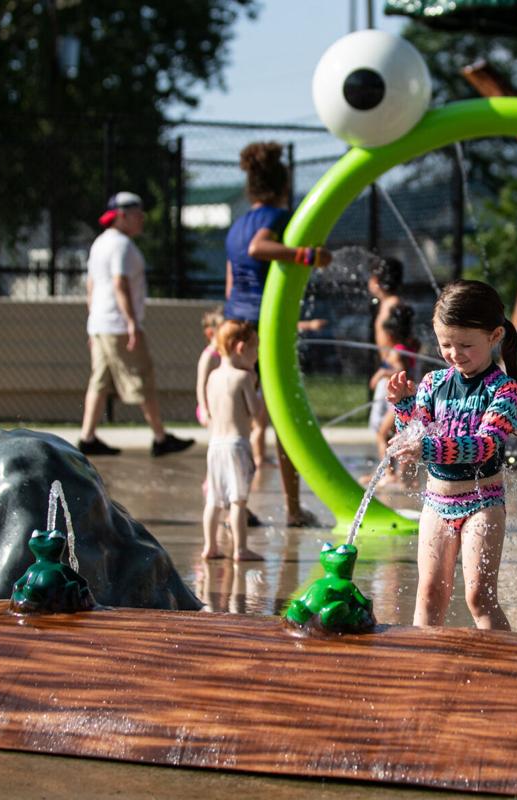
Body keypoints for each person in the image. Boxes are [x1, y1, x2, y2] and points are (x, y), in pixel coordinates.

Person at [388, 280, 517, 631]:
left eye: (466, 344)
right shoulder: (433, 383)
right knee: (430, 592)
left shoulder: (504, 389)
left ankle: (503, 666)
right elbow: (413, 435)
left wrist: (428, 447)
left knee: (479, 596)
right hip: (437, 502)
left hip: (482, 503)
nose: (454, 353)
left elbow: (485, 445)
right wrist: (404, 406)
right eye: (445, 344)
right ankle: (424, 668)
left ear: (495, 336)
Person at [224, 141, 331, 527]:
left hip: (232, 324)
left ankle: (232, 506)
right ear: (282, 184)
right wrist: (308, 256)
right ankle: (292, 508)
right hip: (264, 328)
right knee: (284, 421)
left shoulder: (235, 225)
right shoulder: (281, 216)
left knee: (230, 424)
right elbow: (260, 247)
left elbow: (230, 282)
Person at [78, 191, 193, 458]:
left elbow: (91, 286)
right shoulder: (121, 246)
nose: (142, 219)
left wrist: (92, 323)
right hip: (117, 325)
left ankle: (87, 437)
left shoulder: (100, 243)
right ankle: (160, 437)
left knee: (99, 381)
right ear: (122, 216)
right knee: (142, 377)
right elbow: (120, 283)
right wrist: (131, 323)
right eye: (138, 214)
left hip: (100, 323)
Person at [201, 320, 262, 562]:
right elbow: (255, 413)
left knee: (213, 501)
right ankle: (240, 549)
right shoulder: (243, 378)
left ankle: (210, 546)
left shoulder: (213, 377)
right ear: (241, 347)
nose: (256, 356)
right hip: (237, 445)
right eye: (255, 349)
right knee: (238, 500)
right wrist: (257, 388)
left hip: (215, 445)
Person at [368, 303, 419, 484]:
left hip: (400, 399)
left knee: (383, 434)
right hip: (411, 397)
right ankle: (406, 477)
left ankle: (389, 475)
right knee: (403, 436)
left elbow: (401, 369)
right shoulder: (412, 345)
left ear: (390, 334)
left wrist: (382, 373)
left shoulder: (397, 350)